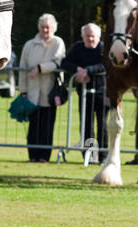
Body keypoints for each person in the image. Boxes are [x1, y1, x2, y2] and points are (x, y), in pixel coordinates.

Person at [18, 13, 65, 162]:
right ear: (39, 28)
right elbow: (22, 68)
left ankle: (44, 156)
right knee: (33, 127)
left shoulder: (58, 42)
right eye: (43, 27)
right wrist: (23, 91)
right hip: (32, 92)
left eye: (48, 27)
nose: (45, 30)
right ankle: (32, 155)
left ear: (54, 28)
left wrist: (40, 68)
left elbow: (58, 62)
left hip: (49, 92)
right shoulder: (29, 45)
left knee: (47, 126)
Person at [61, 23, 107, 160]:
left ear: (98, 36)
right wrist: (78, 70)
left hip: (102, 92)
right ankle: (89, 155)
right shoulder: (77, 48)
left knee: (103, 125)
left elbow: (106, 65)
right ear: (82, 36)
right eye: (87, 36)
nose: (90, 39)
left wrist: (89, 71)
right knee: (86, 125)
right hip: (84, 93)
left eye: (93, 36)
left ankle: (103, 155)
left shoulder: (104, 48)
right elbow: (65, 63)